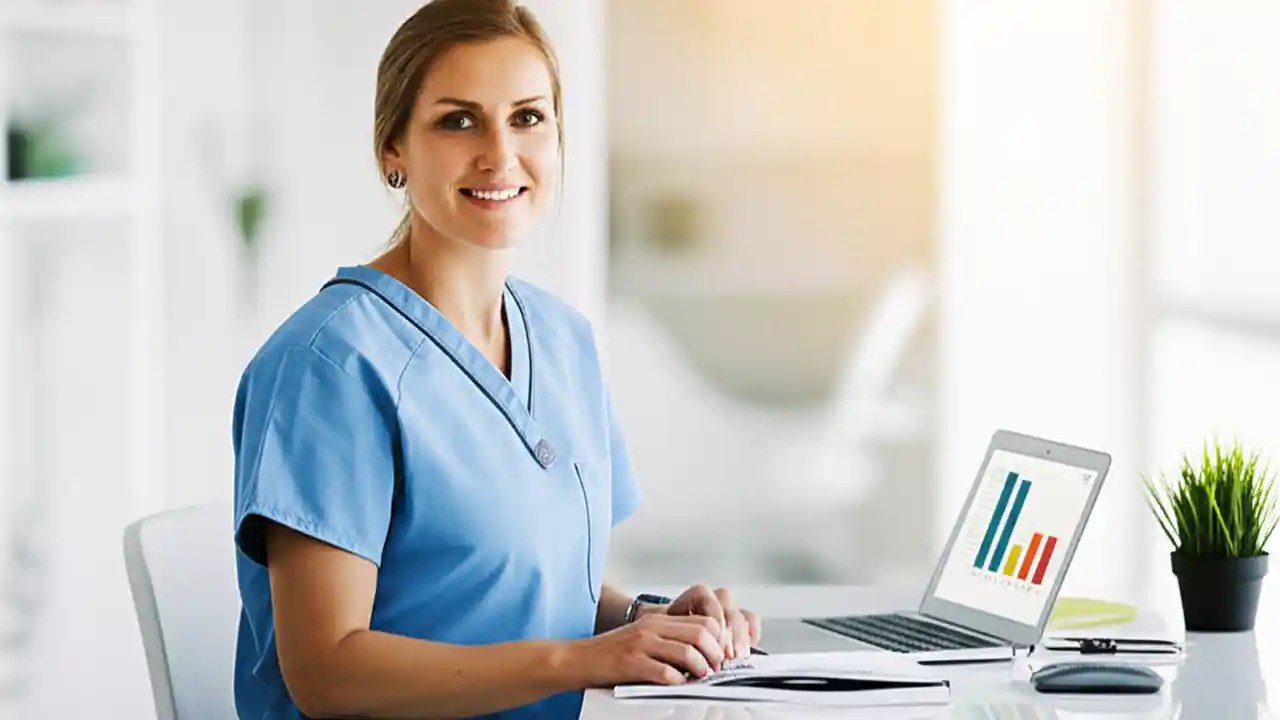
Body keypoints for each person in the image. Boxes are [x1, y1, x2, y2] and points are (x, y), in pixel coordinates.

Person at [230, 1, 761, 718]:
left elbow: (530, 593)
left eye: (528, 118)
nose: (499, 154)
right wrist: (581, 660)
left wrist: (647, 623)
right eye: (458, 120)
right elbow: (327, 673)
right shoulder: (331, 364)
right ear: (393, 148)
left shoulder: (563, 338)